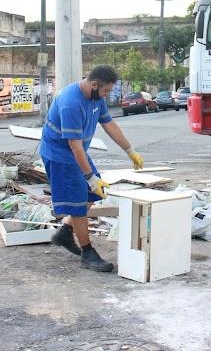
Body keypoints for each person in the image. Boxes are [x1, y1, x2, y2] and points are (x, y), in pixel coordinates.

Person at [39, 65, 145, 272]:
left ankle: (65, 232)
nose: (106, 96)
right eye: (105, 91)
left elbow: (109, 124)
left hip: (76, 152)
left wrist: (130, 150)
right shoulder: (71, 103)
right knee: (79, 202)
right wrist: (90, 177)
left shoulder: (96, 98)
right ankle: (87, 253)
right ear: (94, 84)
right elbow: (74, 146)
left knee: (92, 194)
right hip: (60, 155)